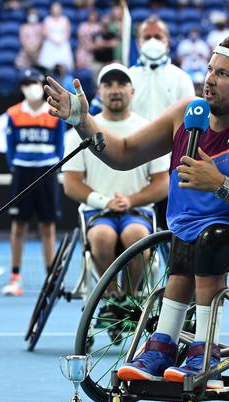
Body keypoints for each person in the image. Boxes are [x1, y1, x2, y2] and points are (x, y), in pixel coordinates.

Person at [45, 34, 229, 387]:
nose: (210, 79)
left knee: (208, 238)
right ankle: (162, 345)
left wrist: (221, 185)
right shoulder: (186, 114)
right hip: (189, 234)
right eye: (210, 69)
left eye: (224, 74)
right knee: (186, 238)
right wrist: (83, 122)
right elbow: (122, 153)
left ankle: (204, 350)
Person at [62, 63, 169, 305]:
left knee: (137, 235)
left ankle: (130, 300)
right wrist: (105, 201)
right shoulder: (80, 131)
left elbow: (163, 183)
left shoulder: (148, 130)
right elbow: (71, 183)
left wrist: (131, 200)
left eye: (122, 84)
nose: (115, 90)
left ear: (133, 91)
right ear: (99, 92)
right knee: (101, 237)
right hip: (97, 212)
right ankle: (111, 297)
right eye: (108, 85)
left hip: (137, 211)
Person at [0, 68, 65, 297]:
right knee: (19, 225)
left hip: (47, 173)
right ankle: (15, 277)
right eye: (26, 83)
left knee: (48, 226)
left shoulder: (54, 113)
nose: (31, 88)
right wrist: (17, 166)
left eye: (34, 83)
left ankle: (51, 277)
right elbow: (10, 148)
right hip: (22, 173)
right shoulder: (13, 113)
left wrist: (53, 166)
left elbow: (60, 147)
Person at [128, 16, 195, 230]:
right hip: (134, 167)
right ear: (138, 42)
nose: (152, 41)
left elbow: (190, 125)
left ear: (167, 41)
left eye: (158, 36)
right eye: (147, 37)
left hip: (171, 168)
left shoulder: (181, 78)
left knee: (173, 232)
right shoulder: (126, 78)